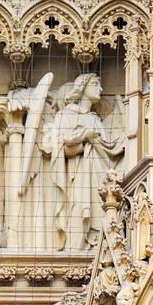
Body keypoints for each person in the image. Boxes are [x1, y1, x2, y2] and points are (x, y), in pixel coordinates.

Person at [39, 72, 124, 251]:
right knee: (79, 208)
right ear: (82, 88)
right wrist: (85, 136)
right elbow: (61, 142)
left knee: (102, 207)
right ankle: (76, 248)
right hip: (79, 174)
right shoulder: (66, 114)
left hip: (99, 172)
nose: (100, 89)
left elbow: (106, 147)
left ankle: (100, 247)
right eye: (95, 84)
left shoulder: (94, 119)